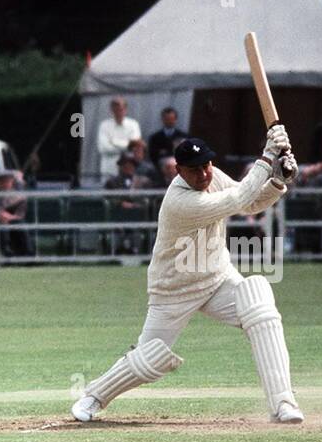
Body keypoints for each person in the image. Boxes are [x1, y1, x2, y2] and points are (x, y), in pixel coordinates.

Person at [70, 131, 304, 424]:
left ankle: (283, 403)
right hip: (174, 290)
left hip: (217, 278)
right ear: (178, 171)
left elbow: (250, 204)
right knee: (150, 356)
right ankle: (94, 396)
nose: (204, 174)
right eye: (194, 170)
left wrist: (278, 181)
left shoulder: (212, 174)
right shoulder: (179, 201)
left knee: (260, 305)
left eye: (206, 165)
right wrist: (268, 157)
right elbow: (237, 199)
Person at [97, 97, 142, 181]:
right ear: (112, 110)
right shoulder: (104, 125)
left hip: (129, 168)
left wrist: (113, 141)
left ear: (125, 109)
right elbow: (103, 149)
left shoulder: (133, 124)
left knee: (130, 192)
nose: (119, 112)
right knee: (108, 192)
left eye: (121, 109)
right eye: (116, 109)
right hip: (109, 169)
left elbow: (135, 147)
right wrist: (127, 145)